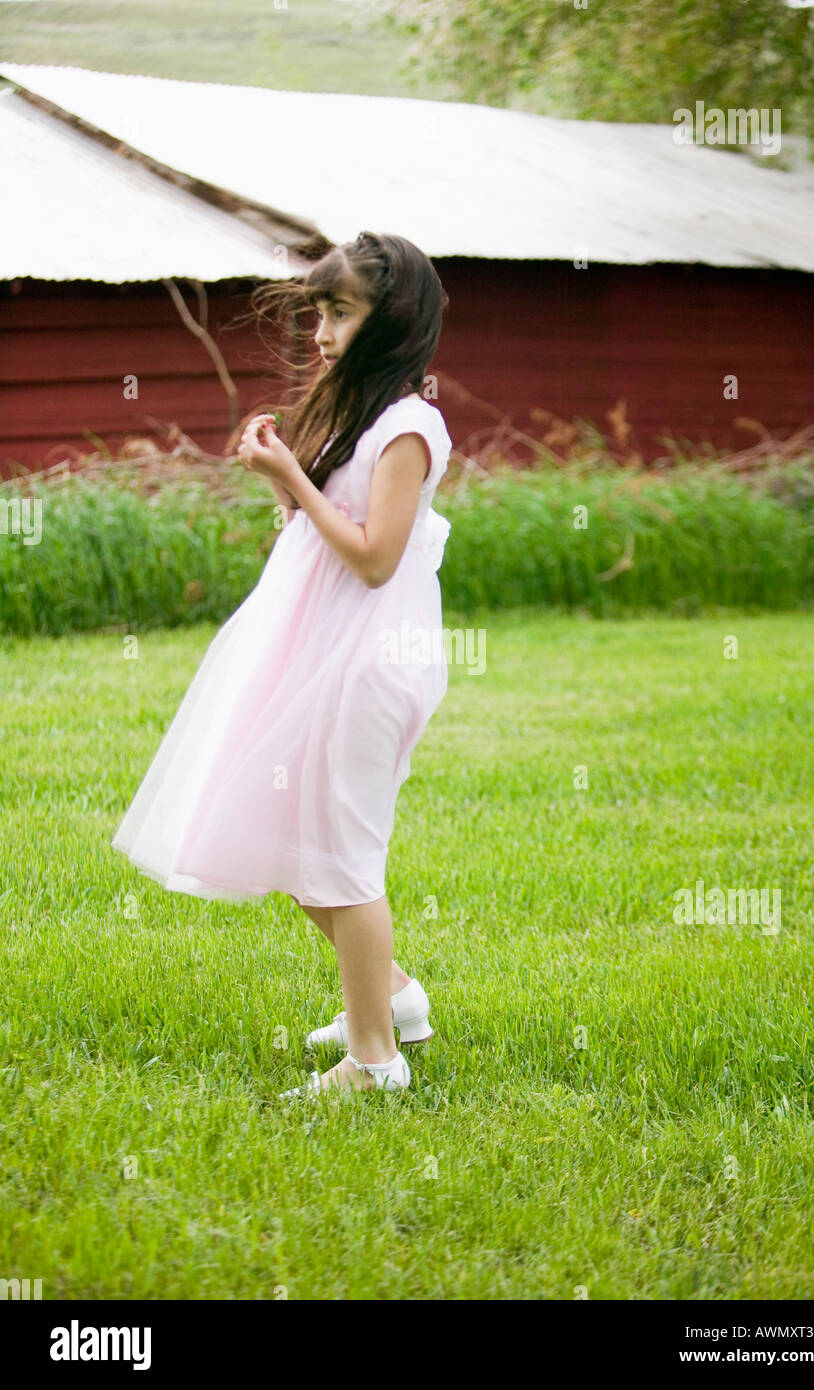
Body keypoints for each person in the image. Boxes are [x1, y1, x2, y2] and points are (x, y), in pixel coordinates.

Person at [110, 231, 454, 1103]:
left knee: (340, 855)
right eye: (320, 313)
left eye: (339, 312)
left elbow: (376, 559)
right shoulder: (362, 413)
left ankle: (375, 1062)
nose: (322, 331)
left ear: (393, 320)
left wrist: (293, 479)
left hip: (369, 663)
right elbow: (323, 530)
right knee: (296, 844)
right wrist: (286, 475)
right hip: (318, 651)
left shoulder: (410, 427)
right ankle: (395, 1000)